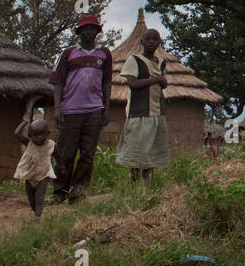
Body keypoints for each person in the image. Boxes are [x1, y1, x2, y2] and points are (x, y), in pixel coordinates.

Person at [49, 13, 112, 203]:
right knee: (65, 153)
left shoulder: (105, 54)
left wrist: (106, 109)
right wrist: (58, 108)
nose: (88, 31)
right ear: (79, 31)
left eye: (92, 28)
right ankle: (59, 192)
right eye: (84, 29)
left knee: (87, 155)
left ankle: (78, 193)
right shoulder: (68, 53)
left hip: (94, 110)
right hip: (70, 110)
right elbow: (58, 82)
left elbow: (107, 83)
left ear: (97, 32)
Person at [115, 28, 172, 184]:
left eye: (155, 39)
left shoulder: (161, 63)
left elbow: (161, 84)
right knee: (137, 151)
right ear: (142, 42)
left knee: (151, 151)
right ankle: (133, 184)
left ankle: (148, 185)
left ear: (159, 43)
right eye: (148, 39)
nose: (151, 42)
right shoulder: (134, 60)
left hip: (156, 111)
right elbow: (132, 83)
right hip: (139, 112)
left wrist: (163, 82)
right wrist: (157, 79)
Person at [13, 100, 55, 218]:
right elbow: (16, 134)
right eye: (35, 135)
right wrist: (24, 122)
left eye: (41, 135)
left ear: (47, 134)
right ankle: (35, 210)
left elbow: (58, 156)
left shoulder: (51, 145)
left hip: (43, 174)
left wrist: (61, 166)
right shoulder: (29, 143)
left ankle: (38, 216)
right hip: (30, 174)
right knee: (31, 198)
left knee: (40, 195)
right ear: (31, 135)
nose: (38, 138)